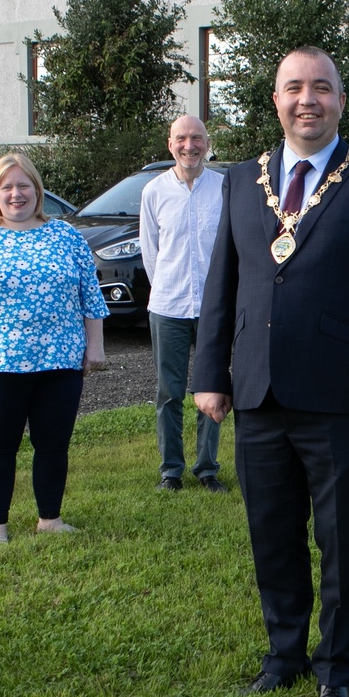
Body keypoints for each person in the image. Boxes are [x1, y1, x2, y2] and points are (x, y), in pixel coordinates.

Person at [194, 46, 349, 697]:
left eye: (321, 88)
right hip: (258, 393)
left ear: (341, 102)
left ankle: (336, 671)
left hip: (340, 401)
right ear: (275, 100)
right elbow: (221, 286)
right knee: (272, 532)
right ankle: (284, 655)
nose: (307, 99)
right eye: (294, 87)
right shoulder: (240, 180)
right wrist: (210, 374)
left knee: (340, 540)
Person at [0, 154, 108, 542]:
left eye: (24, 186)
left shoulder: (65, 235)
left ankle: (50, 519)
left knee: (53, 444)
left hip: (60, 359)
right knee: (0, 445)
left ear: (37, 190)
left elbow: (90, 295)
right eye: (7, 187)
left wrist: (95, 346)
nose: (16, 194)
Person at [140, 114, 226, 493]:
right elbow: (150, 252)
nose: (189, 145)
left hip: (214, 307)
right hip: (169, 306)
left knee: (213, 387)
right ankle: (170, 471)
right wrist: (166, 288)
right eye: (181, 138)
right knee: (169, 392)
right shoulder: (153, 192)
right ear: (170, 143)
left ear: (208, 143)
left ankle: (207, 468)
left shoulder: (225, 188)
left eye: (196, 138)